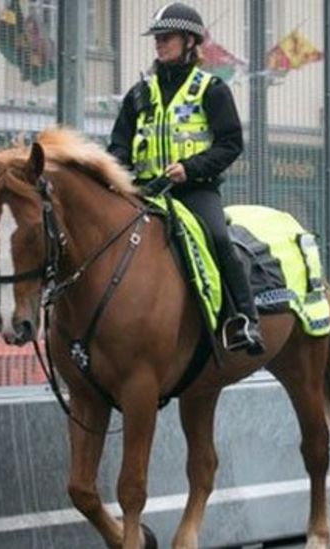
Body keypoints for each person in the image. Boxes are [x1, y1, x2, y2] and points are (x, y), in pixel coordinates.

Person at [108, 3, 264, 355]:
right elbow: (119, 146)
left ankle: (244, 320)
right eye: (157, 38)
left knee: (220, 239)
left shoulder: (211, 89)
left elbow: (231, 144)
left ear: (190, 41)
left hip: (194, 191)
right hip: (145, 192)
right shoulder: (139, 93)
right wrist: (114, 171)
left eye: (167, 38)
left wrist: (190, 168)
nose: (159, 44)